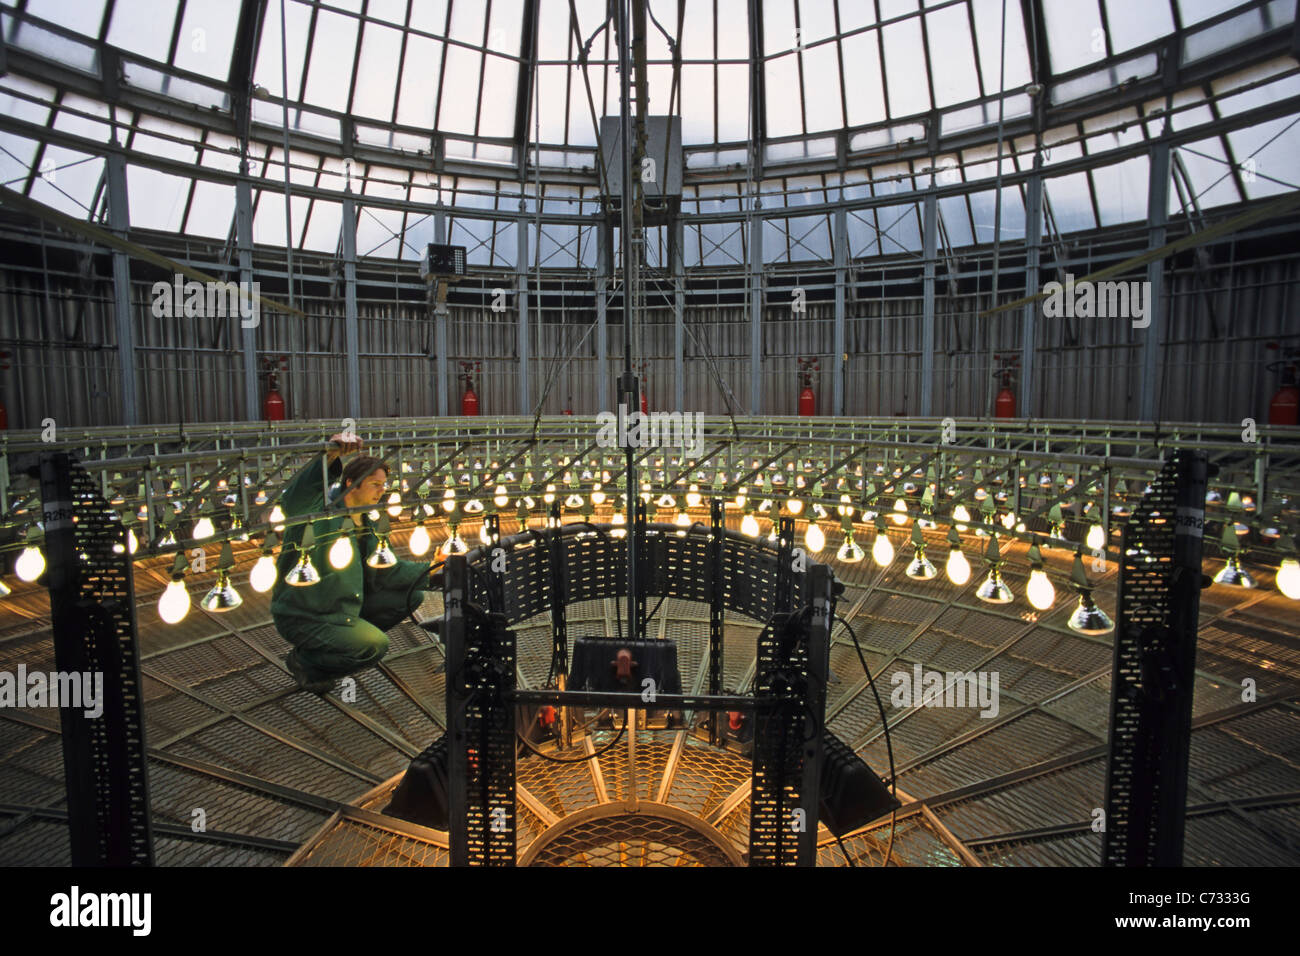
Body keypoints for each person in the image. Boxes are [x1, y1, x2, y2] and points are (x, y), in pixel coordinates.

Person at [270, 433, 431, 693]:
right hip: (306, 615)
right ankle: (306, 663)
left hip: (343, 607)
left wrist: (436, 569)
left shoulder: (368, 522)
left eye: (384, 485)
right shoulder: (317, 512)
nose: (382, 491)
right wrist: (329, 456)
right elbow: (294, 501)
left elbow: (388, 572)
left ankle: (344, 639)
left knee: (412, 596)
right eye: (375, 484)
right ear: (350, 483)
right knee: (373, 645)